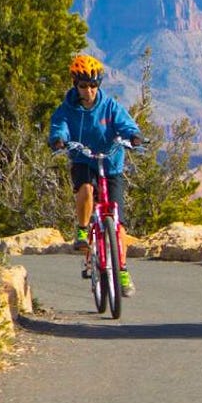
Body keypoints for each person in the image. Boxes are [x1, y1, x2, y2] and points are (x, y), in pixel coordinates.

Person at [48, 54, 143, 297]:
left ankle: (121, 269)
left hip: (111, 164)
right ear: (75, 85)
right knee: (86, 190)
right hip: (83, 160)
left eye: (92, 86)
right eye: (83, 86)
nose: (88, 91)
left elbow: (126, 124)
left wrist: (133, 136)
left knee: (117, 221)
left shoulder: (110, 106)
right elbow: (60, 126)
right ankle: (82, 230)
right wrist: (59, 140)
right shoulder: (66, 109)